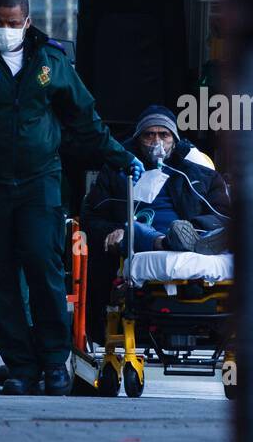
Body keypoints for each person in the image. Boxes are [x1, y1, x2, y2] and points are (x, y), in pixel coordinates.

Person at [0, 0, 142, 395]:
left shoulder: (51, 59)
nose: (5, 30)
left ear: (27, 22)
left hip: (37, 183)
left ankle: (54, 362)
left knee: (42, 265)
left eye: (13, 24)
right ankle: (20, 367)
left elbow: (84, 118)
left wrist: (119, 156)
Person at [82, 105, 231, 342]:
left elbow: (221, 213)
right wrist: (113, 231)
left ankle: (182, 238)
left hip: (188, 234)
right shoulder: (117, 171)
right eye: (149, 134)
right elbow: (91, 216)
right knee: (134, 229)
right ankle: (167, 241)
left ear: (174, 139)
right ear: (138, 139)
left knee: (210, 230)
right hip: (138, 238)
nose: (157, 141)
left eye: (164, 135)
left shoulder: (196, 174)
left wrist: (193, 227)